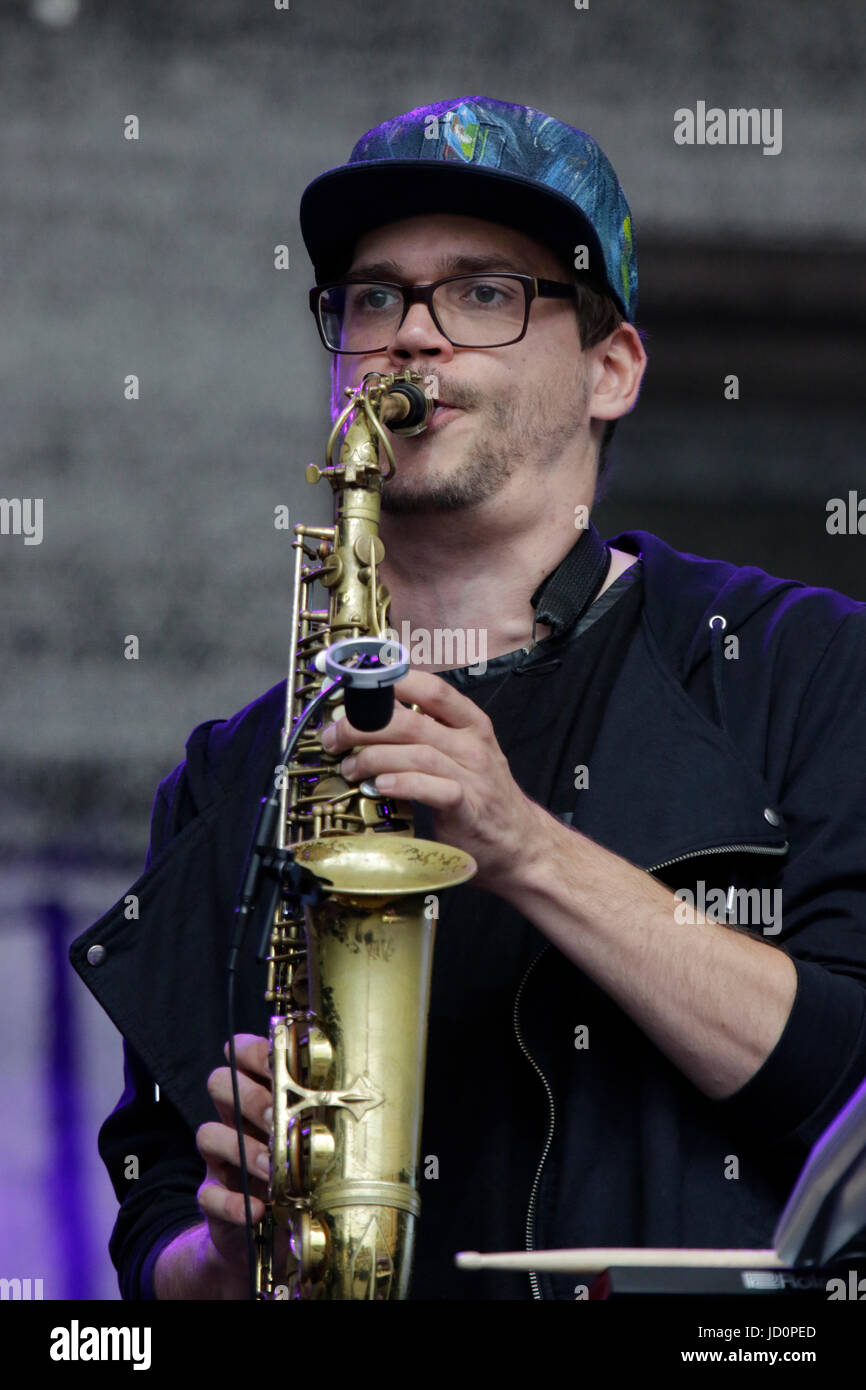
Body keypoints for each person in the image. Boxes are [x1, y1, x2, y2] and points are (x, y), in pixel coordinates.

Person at [71, 96, 866, 1301]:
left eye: (486, 292)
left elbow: (845, 1080)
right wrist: (228, 1256)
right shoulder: (232, 773)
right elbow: (156, 1223)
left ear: (611, 368)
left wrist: (524, 847)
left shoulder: (806, 665)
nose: (410, 338)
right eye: (372, 297)